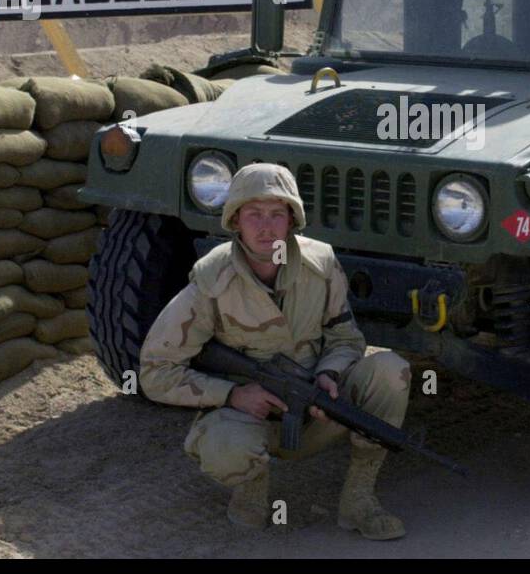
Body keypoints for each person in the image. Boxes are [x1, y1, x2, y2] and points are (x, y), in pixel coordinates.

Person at [139, 163, 411, 540]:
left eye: (276, 214)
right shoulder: (211, 281)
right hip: (248, 420)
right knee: (226, 448)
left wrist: (329, 375)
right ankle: (251, 491)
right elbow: (156, 372)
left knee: (391, 371)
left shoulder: (322, 265)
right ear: (235, 220)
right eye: (254, 214)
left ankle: (359, 499)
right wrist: (233, 395)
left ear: (291, 220)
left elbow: (345, 338)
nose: (266, 227)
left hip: (317, 407)